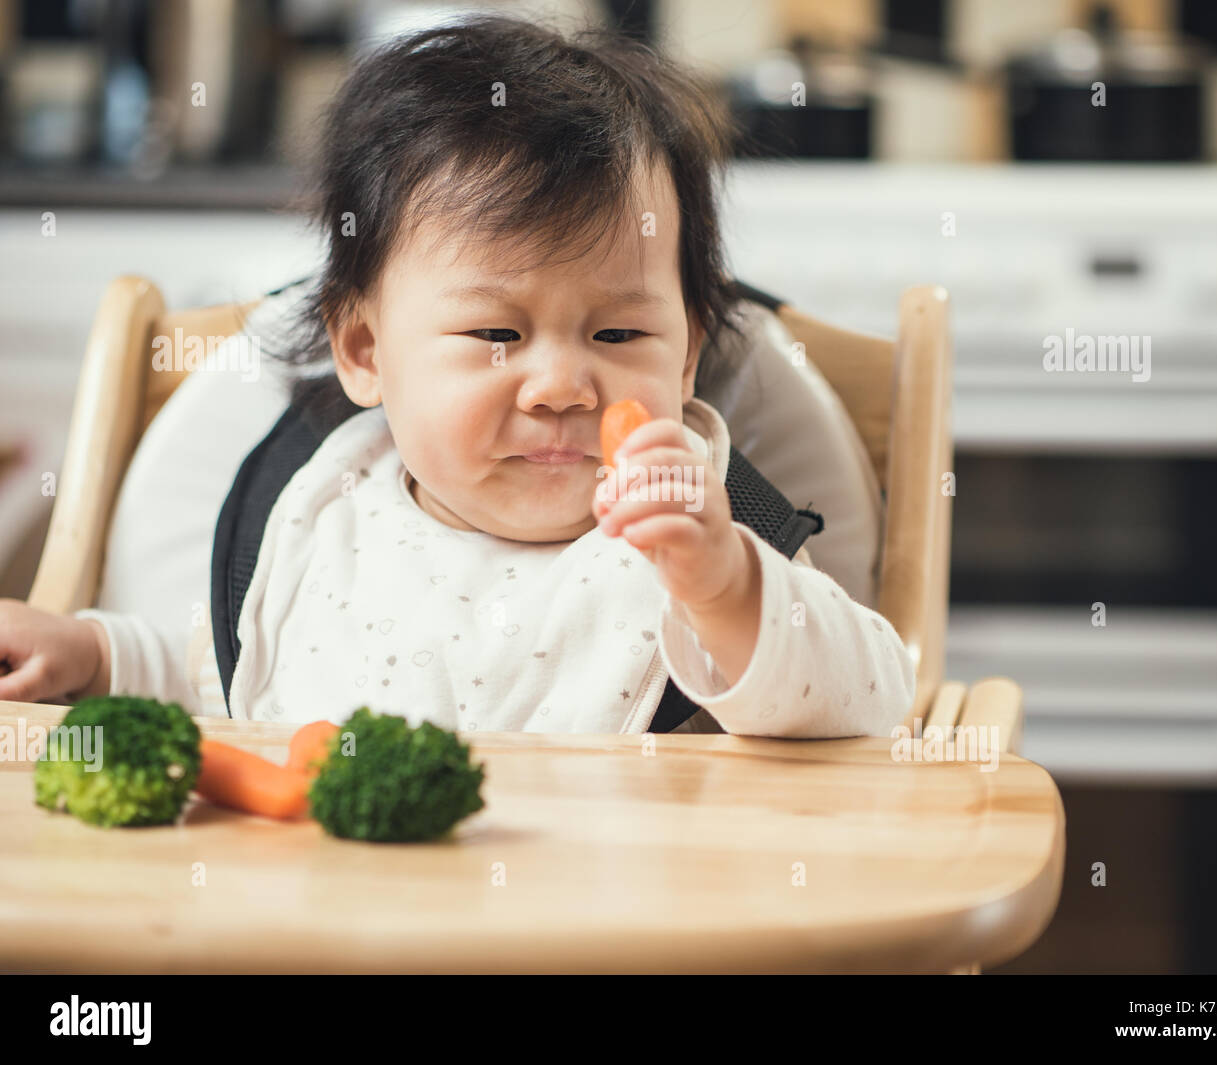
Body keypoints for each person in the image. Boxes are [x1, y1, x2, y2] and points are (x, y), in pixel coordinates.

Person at [1, 15, 913, 737]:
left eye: (621, 330)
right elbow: (226, 671)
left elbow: (869, 697)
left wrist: (725, 587)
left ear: (686, 352)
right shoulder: (324, 512)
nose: (561, 383)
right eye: (494, 331)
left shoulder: (702, 530)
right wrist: (91, 653)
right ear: (363, 353)